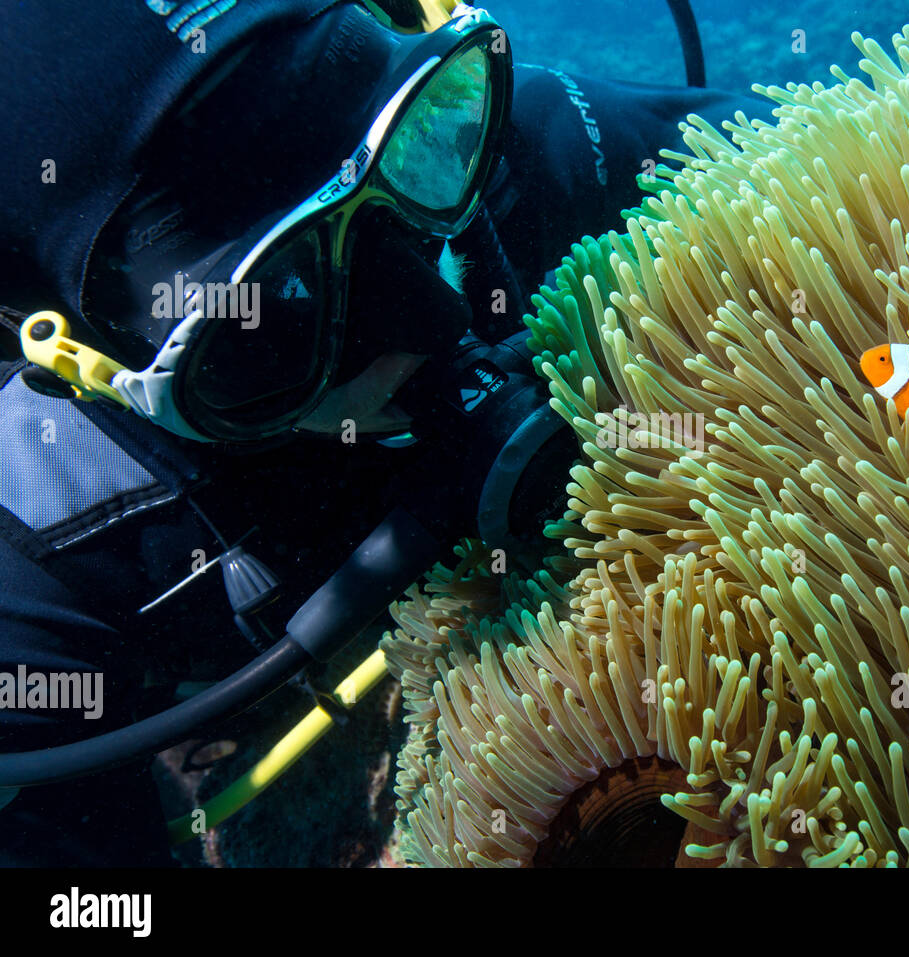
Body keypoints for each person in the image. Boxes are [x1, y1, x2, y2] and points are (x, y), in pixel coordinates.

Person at [0, 0, 764, 865]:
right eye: (263, 319)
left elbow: (829, 156)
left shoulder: (511, 149)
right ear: (88, 365)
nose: (430, 313)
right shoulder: (38, 540)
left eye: (410, 155)